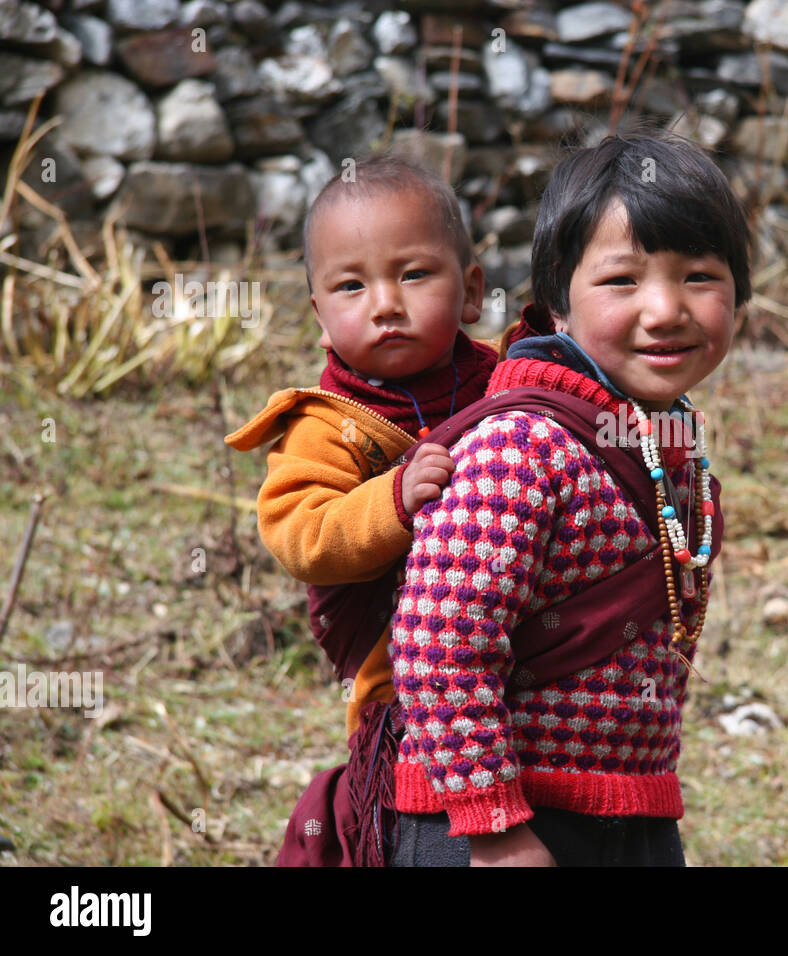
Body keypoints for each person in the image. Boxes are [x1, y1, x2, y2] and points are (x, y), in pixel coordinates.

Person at [386, 129, 752, 866]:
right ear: (556, 306)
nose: (665, 309)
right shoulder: (521, 449)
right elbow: (439, 647)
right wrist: (495, 827)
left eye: (700, 276)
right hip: (494, 827)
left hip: (631, 813)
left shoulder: (670, 449)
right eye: (622, 281)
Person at [224, 155, 498, 864]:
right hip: (401, 682)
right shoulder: (328, 426)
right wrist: (391, 502)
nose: (385, 303)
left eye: (413, 275)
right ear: (319, 315)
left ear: (471, 292)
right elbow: (300, 535)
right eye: (352, 285)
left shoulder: (504, 386)